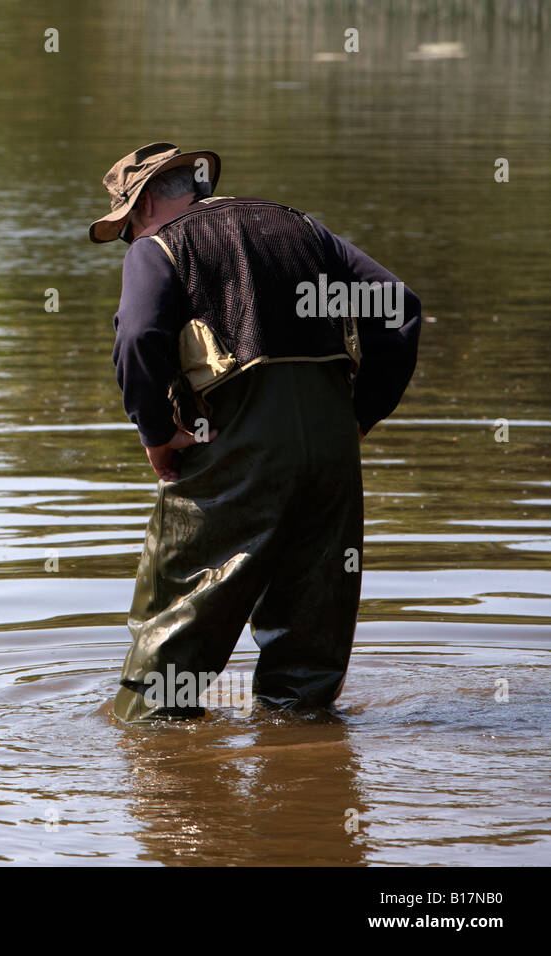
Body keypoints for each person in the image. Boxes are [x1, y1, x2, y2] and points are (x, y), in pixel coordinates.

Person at [88, 142, 421, 723]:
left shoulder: (157, 247)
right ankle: (304, 754)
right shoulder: (301, 229)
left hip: (232, 443)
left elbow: (140, 337)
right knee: (309, 640)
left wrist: (157, 432)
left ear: (140, 209)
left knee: (176, 621)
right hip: (330, 454)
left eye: (125, 230)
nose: (129, 242)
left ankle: (158, 764)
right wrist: (356, 417)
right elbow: (399, 309)